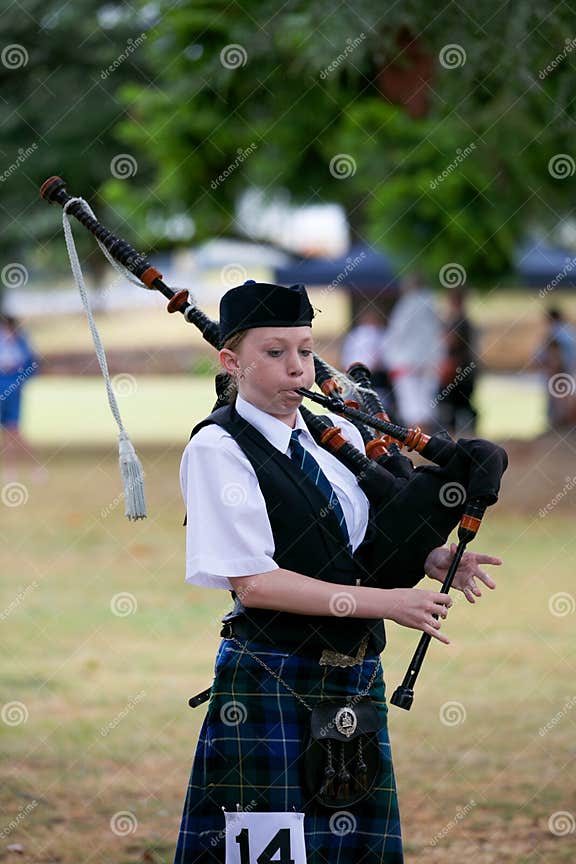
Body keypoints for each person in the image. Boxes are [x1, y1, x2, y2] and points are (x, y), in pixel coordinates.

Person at [174, 280, 502, 864]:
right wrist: (389, 603)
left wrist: (431, 558)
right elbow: (253, 582)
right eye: (274, 353)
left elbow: (355, 543)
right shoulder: (218, 449)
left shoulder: (336, 435)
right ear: (231, 361)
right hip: (272, 677)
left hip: (351, 680)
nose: (297, 369)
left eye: (304, 350)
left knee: (354, 852)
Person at [379, 273, 443, 429]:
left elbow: (397, 333)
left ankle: (417, 434)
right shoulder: (432, 304)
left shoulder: (407, 305)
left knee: (411, 399)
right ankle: (423, 435)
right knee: (425, 398)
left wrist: (389, 357)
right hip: (428, 359)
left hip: (406, 360)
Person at [340, 306, 397, 418]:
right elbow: (347, 356)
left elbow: (387, 357)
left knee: (379, 407)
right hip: (354, 376)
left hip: (376, 377)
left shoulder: (382, 334)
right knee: (354, 407)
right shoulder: (357, 334)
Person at [436, 287, 478, 435]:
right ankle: (459, 432)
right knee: (458, 404)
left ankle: (458, 432)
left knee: (457, 403)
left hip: (459, 369)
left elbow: (451, 341)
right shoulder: (460, 320)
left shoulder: (460, 321)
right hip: (461, 368)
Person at [0, 314, 38, 475]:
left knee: (13, 430)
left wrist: (20, 379)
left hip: (13, 388)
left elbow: (31, 364)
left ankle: (34, 467)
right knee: (6, 433)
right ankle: (10, 470)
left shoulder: (21, 342)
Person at [534, 308, 576, 431]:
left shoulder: (555, 333)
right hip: (566, 371)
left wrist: (552, 366)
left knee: (558, 402)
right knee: (566, 399)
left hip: (559, 371)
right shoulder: (570, 332)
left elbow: (547, 355)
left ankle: (557, 427)